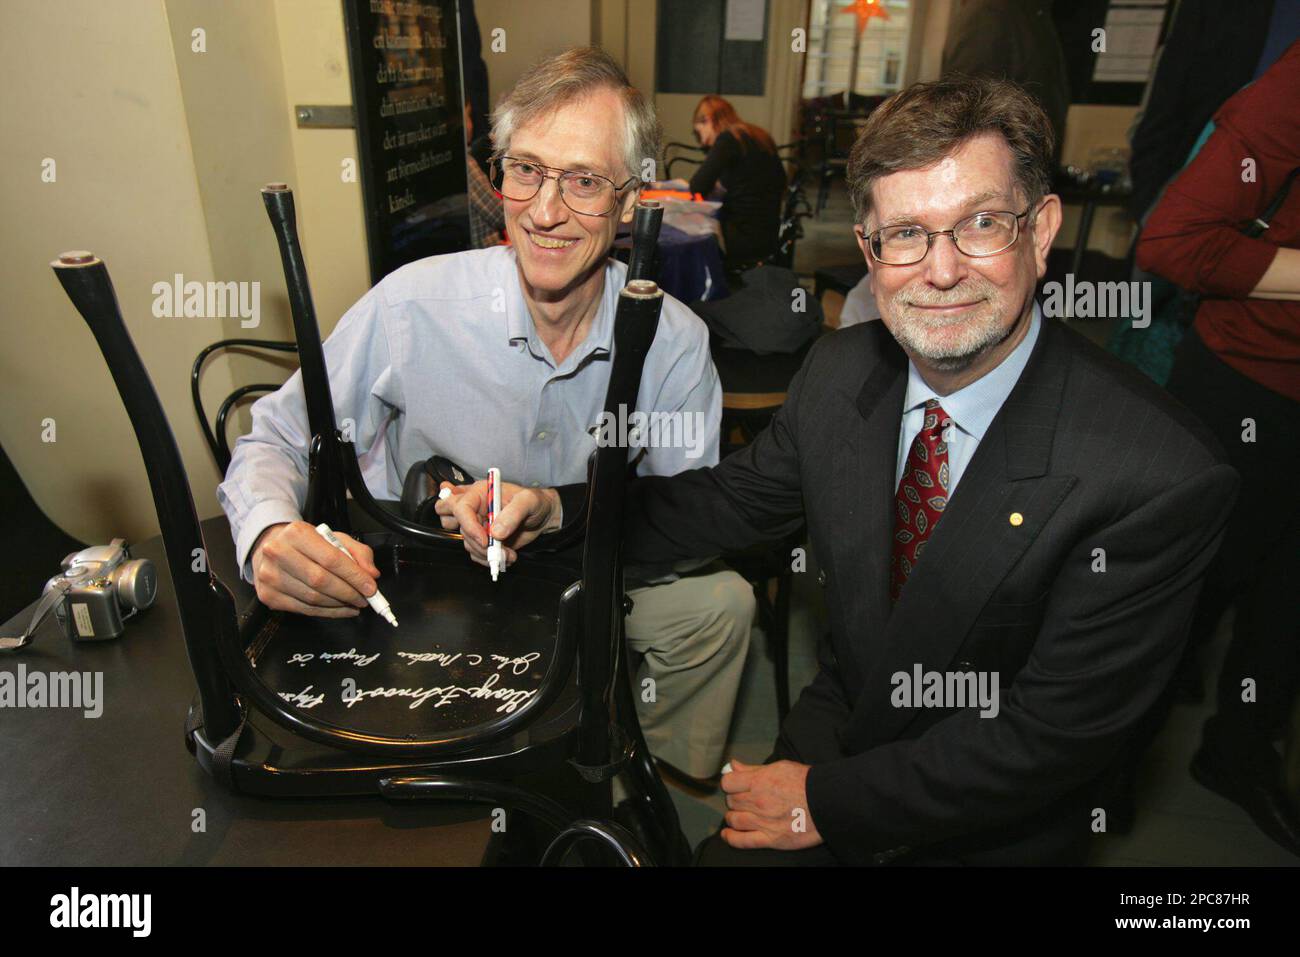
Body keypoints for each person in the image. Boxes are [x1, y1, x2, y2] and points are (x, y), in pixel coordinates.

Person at [444, 76, 1239, 865]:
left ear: (1041, 232)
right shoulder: (841, 371)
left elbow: (1050, 736)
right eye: (906, 234)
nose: (941, 270)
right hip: (846, 724)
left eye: (982, 224)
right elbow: (722, 503)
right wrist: (554, 509)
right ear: (868, 250)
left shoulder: (1157, 474)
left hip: (989, 821)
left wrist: (826, 801)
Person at [218, 47, 754, 784]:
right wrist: (269, 532)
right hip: (421, 585)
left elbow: (691, 518)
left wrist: (561, 514)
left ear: (633, 200)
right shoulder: (413, 306)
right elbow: (275, 434)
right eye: (526, 169)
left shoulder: (674, 343)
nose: (544, 209)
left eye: (585, 181)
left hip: (583, 580)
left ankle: (641, 782)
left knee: (721, 605)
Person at [1136, 40, 1300, 856]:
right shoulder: (1293, 86)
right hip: (1249, 388)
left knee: (1287, 610)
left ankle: (1239, 752)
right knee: (1187, 597)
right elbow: (1171, 242)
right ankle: (1105, 767)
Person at [686, 95, 788, 269]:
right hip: (768, 230)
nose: (702, 142)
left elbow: (697, 187)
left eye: (699, 133)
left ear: (708, 120)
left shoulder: (728, 138)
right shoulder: (756, 134)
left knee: (686, 233)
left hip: (742, 235)